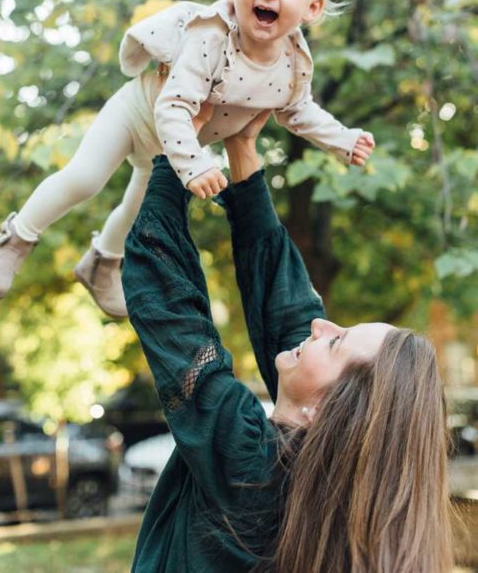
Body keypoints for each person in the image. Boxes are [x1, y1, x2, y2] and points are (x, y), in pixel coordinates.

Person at [0, 0, 375, 318]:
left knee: (134, 209)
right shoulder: (212, 37)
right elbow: (174, 105)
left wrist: (342, 139)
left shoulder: (293, 64)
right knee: (85, 178)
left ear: (313, 7)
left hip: (175, 147)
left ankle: (100, 265)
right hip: (138, 117)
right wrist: (195, 164)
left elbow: (297, 110)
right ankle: (16, 239)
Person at [122, 106, 451, 573]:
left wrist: (181, 146)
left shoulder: (249, 466)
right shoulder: (326, 489)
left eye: (336, 342)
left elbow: (164, 296)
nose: (321, 327)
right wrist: (243, 153)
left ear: (326, 412)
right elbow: (292, 310)